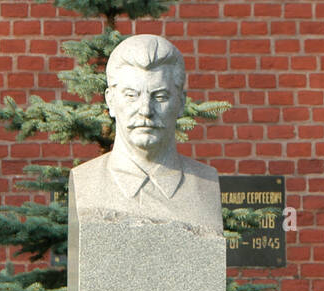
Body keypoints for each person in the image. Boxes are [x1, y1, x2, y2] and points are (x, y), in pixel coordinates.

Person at [69, 34, 223, 232]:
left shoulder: (205, 185)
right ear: (111, 101)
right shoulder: (86, 183)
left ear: (181, 102)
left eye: (160, 96)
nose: (145, 110)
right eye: (131, 95)